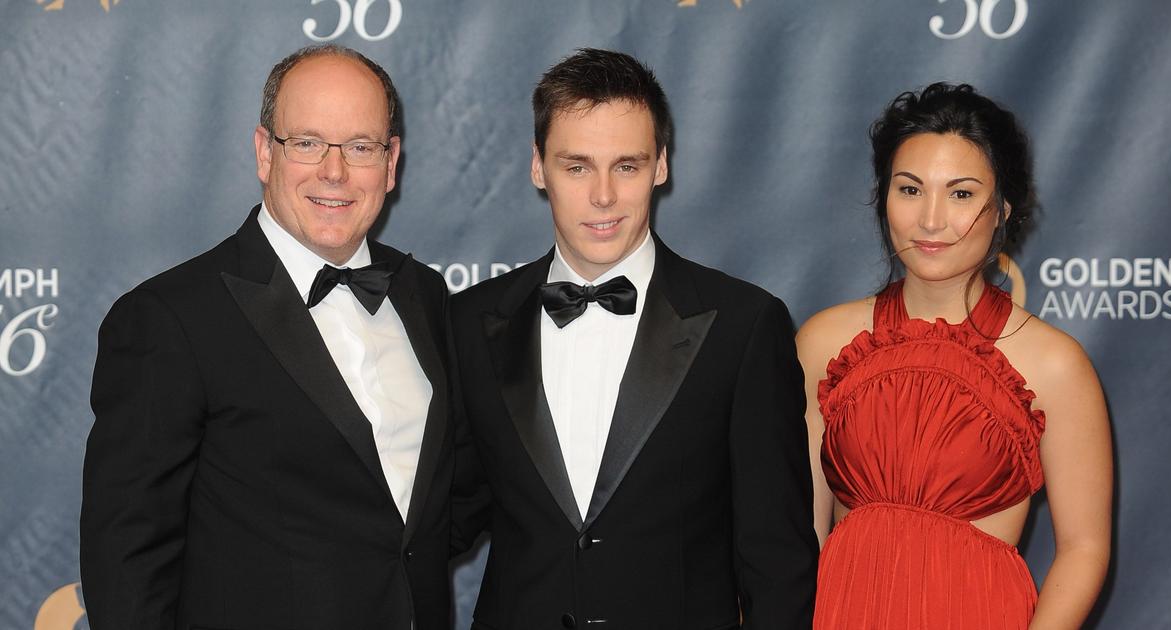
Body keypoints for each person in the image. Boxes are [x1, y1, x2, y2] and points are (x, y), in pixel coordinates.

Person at [80, 45, 455, 630]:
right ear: (264, 153)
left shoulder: (423, 295)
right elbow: (127, 557)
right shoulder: (169, 319)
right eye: (307, 142)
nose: (334, 172)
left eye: (361, 147)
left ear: (391, 161)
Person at [449, 48, 819, 629]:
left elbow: (777, 558)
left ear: (661, 165)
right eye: (576, 166)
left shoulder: (744, 326)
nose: (603, 195)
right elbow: (444, 514)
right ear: (538, 167)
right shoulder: (470, 323)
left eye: (626, 166)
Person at [796, 83, 1112, 629]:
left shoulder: (1055, 364)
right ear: (884, 197)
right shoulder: (823, 341)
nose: (932, 220)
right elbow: (799, 531)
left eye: (962, 194)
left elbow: (1084, 549)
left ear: (1002, 211)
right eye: (910, 189)